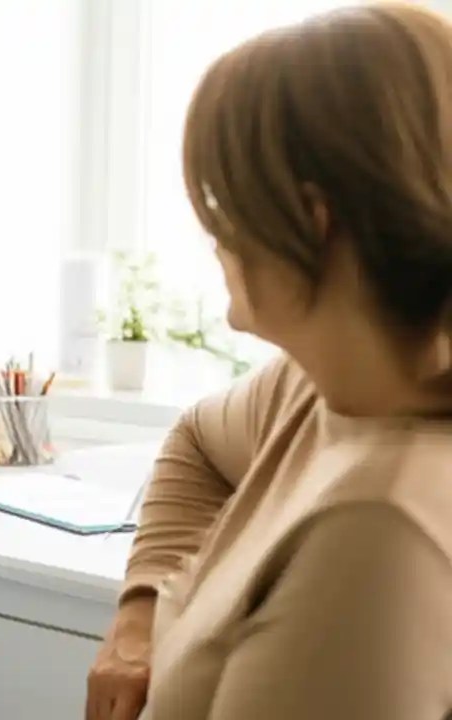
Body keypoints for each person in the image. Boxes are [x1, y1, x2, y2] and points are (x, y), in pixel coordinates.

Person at [85, 3, 452, 719]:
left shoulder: (378, 534)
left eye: (221, 201)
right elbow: (196, 441)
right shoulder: (320, 392)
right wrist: (140, 616)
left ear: (314, 221)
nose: (213, 237)